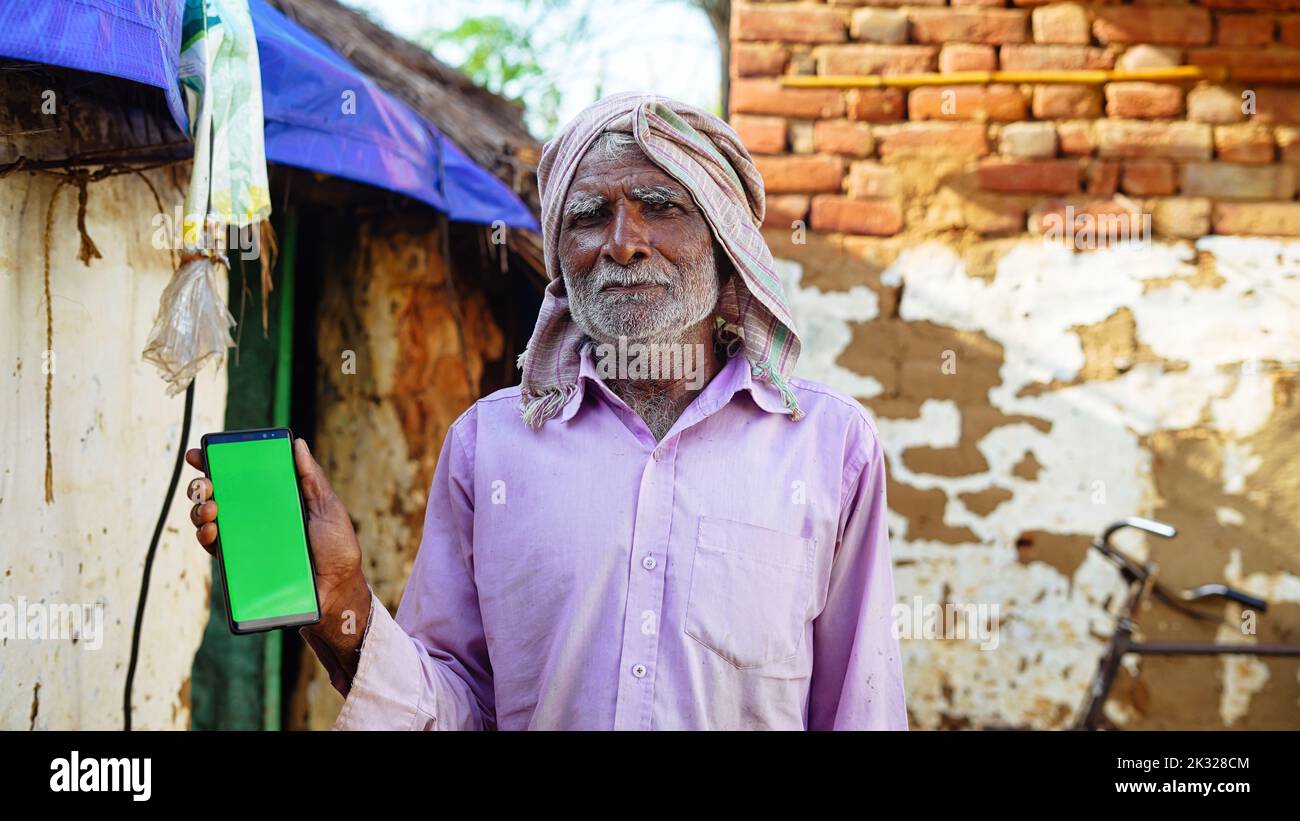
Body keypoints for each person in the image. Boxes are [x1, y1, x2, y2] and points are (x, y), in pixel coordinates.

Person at [186, 92, 908, 730]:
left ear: (728, 252)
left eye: (660, 207)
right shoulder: (489, 447)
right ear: (561, 260)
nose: (622, 242)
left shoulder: (828, 448)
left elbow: (862, 708)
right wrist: (340, 604)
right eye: (590, 216)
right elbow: (456, 706)